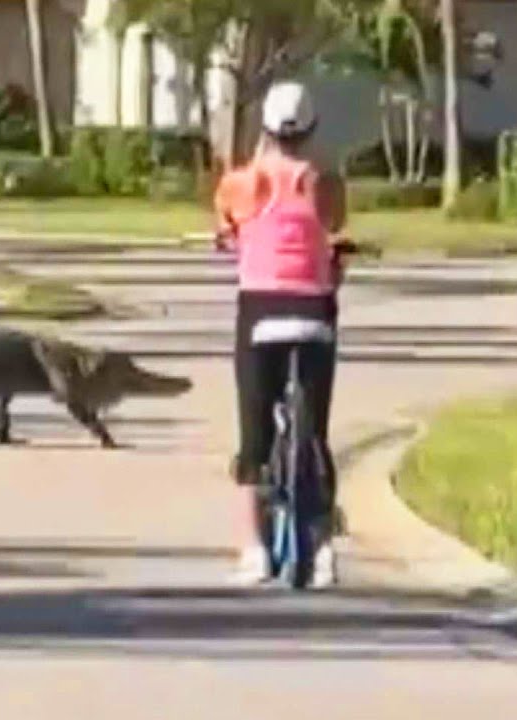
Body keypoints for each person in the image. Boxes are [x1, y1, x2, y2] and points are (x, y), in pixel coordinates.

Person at [213, 80, 348, 586]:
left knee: (254, 431)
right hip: (314, 309)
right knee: (315, 432)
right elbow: (334, 228)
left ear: (265, 127)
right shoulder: (326, 183)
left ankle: (254, 548)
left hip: (260, 308)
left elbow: (228, 227)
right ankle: (324, 548)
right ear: (312, 128)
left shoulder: (241, 183)